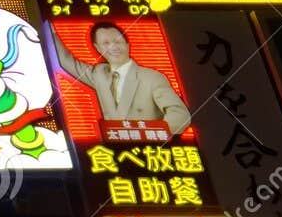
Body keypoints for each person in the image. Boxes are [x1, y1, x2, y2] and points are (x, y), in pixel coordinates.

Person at [51, 22, 189, 137]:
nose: (113, 47)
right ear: (97, 48)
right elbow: (66, 61)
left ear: (127, 44)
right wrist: (49, 30)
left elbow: (180, 114)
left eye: (118, 41)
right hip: (113, 149)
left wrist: (155, 134)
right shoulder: (99, 74)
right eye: (106, 43)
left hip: (149, 150)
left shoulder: (151, 77)